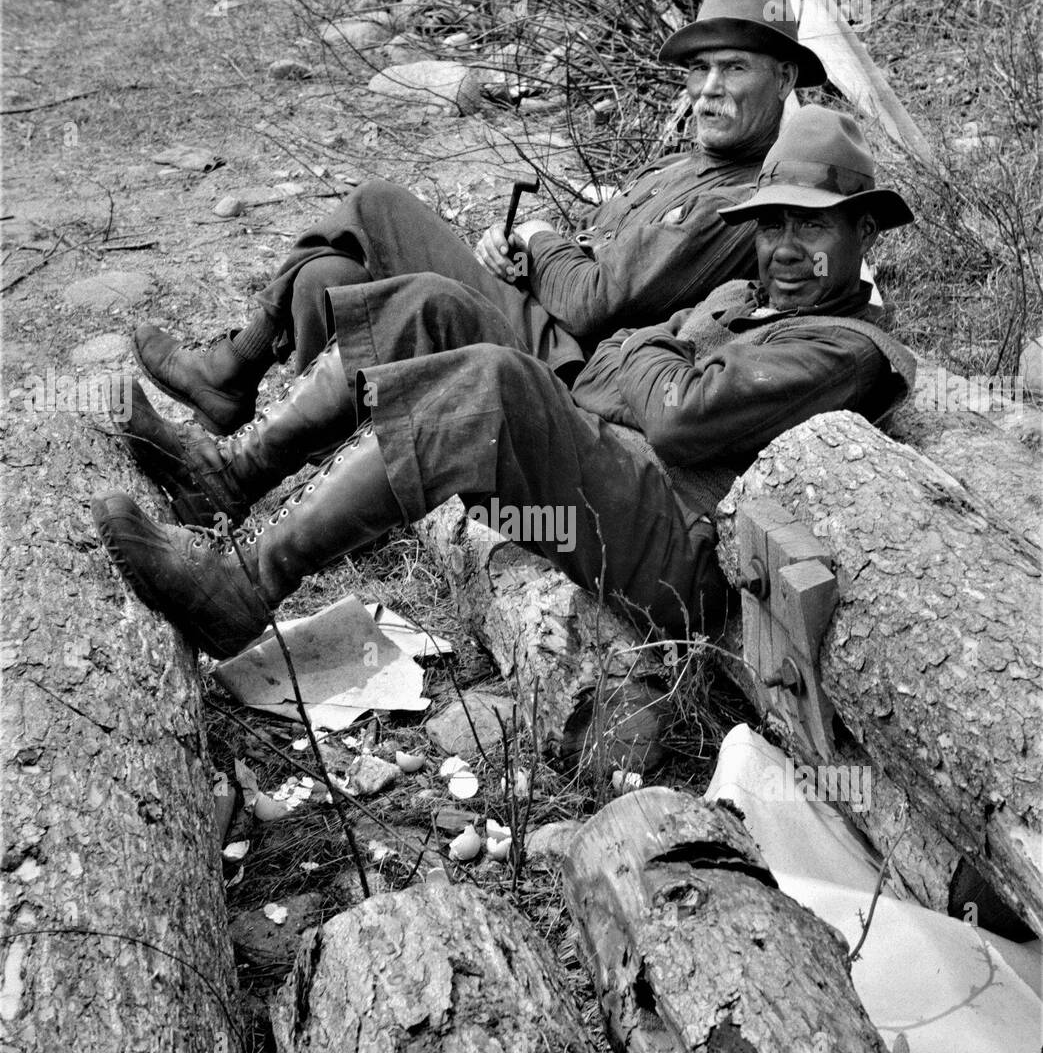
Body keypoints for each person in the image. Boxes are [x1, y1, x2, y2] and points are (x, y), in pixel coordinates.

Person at [93, 106, 916, 661]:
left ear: (864, 231)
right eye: (771, 222)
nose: (782, 247)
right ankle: (227, 479)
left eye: (810, 224)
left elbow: (671, 416)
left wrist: (640, 356)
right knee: (432, 305)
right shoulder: (744, 297)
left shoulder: (843, 348)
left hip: (679, 546)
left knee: (490, 381)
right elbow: (627, 360)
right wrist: (641, 358)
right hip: (614, 455)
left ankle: (249, 586)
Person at [128, 0, 825, 436]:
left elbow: (592, 305)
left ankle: (234, 371)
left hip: (562, 363)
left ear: (785, 78)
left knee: (379, 205)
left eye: (733, 69)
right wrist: (516, 254)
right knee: (323, 281)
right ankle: (321, 441)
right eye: (699, 71)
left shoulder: (747, 198)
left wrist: (539, 233)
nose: (707, 90)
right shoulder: (685, 163)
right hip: (533, 314)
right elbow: (592, 250)